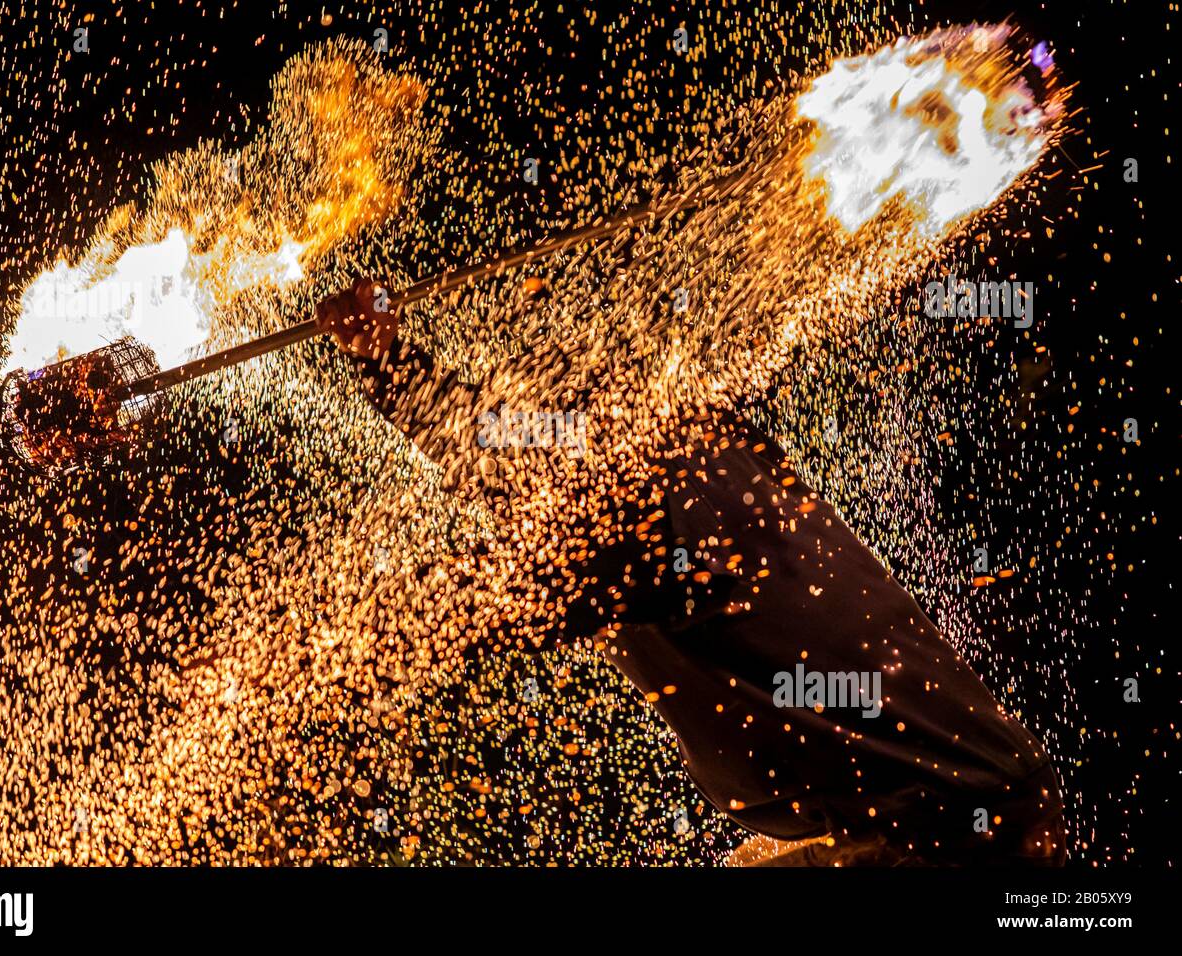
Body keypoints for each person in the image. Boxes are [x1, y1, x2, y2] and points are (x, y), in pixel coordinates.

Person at [318, 277, 1067, 866]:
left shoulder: (678, 495)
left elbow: (535, 584)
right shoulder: (645, 454)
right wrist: (385, 360)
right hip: (925, 809)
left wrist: (344, 643)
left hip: (957, 830)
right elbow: (494, 447)